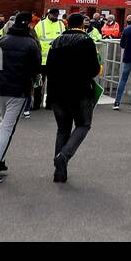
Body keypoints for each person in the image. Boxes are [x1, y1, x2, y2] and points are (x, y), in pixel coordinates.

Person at [0, 12, 41, 186]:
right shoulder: (31, 44)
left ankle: (0, 161)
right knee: (7, 129)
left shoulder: (1, 41)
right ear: (28, 25)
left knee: (4, 124)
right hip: (18, 90)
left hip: (0, 88)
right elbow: (36, 68)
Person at [47, 13, 102, 183]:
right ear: (83, 26)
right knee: (83, 125)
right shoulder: (86, 42)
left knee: (62, 129)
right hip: (79, 91)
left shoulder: (55, 42)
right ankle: (64, 156)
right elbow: (93, 69)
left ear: (67, 24)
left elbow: (49, 67)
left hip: (57, 93)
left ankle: (59, 172)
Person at [33, 7, 65, 110]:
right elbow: (35, 41)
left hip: (55, 60)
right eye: (54, 15)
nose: (55, 17)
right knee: (38, 84)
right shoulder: (40, 25)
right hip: (41, 60)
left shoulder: (61, 24)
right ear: (49, 14)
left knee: (53, 84)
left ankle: (49, 104)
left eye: (57, 15)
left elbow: (63, 39)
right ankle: (36, 104)